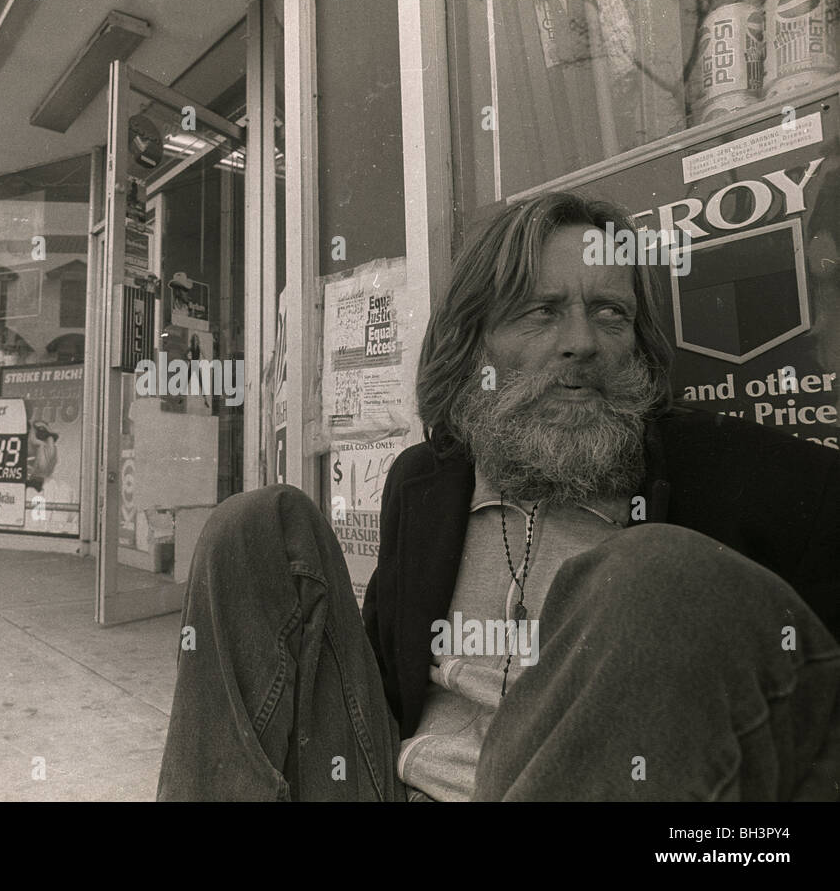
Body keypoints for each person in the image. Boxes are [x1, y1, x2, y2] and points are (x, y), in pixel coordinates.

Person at [157, 191, 840, 801]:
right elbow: (375, 684)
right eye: (541, 313)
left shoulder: (729, 475)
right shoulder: (427, 481)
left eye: (609, 314)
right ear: (477, 340)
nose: (580, 343)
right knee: (255, 526)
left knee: (651, 570)